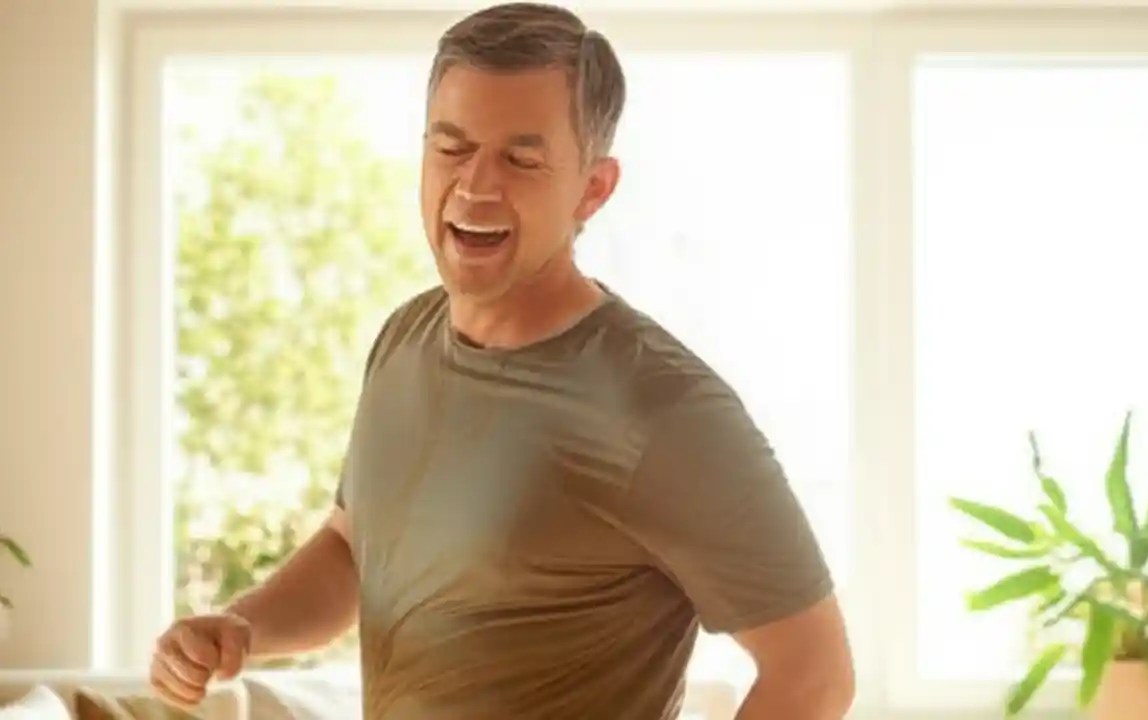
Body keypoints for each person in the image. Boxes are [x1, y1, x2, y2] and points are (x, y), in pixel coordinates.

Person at [150, 3, 855, 718]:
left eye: (521, 159)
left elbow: (816, 675)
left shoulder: (663, 408)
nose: (476, 186)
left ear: (593, 188)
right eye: (451, 148)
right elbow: (355, 550)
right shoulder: (405, 340)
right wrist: (244, 627)